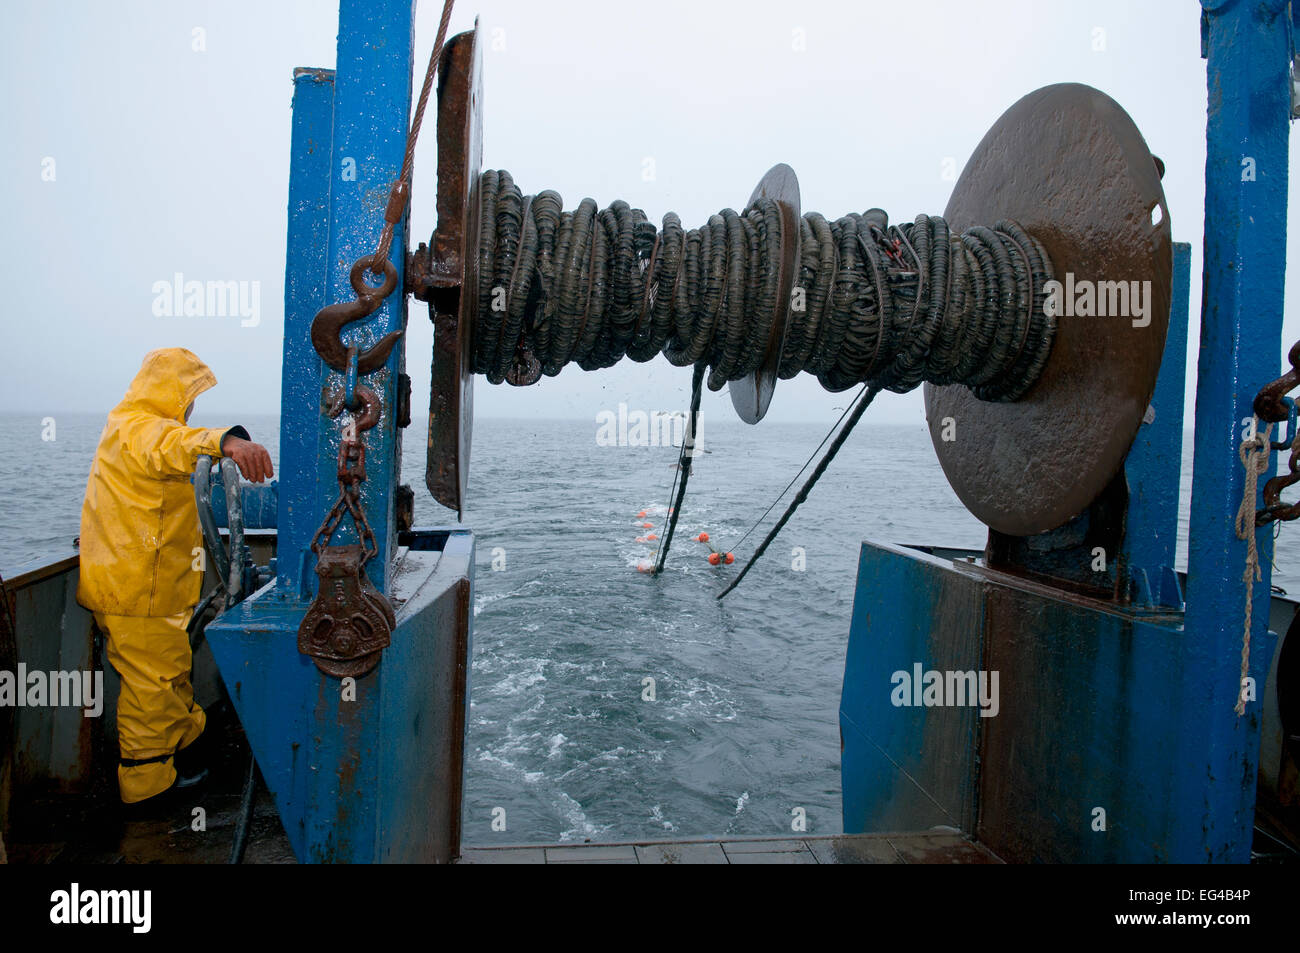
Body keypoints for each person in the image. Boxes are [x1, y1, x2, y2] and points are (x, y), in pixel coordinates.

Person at [77, 348, 273, 812]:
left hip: (138, 585)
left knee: (167, 672)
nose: (189, 407)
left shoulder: (124, 425)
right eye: (188, 396)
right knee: (152, 685)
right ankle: (147, 787)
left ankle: (186, 742)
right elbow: (173, 443)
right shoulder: (141, 427)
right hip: (139, 590)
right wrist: (228, 442)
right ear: (170, 392)